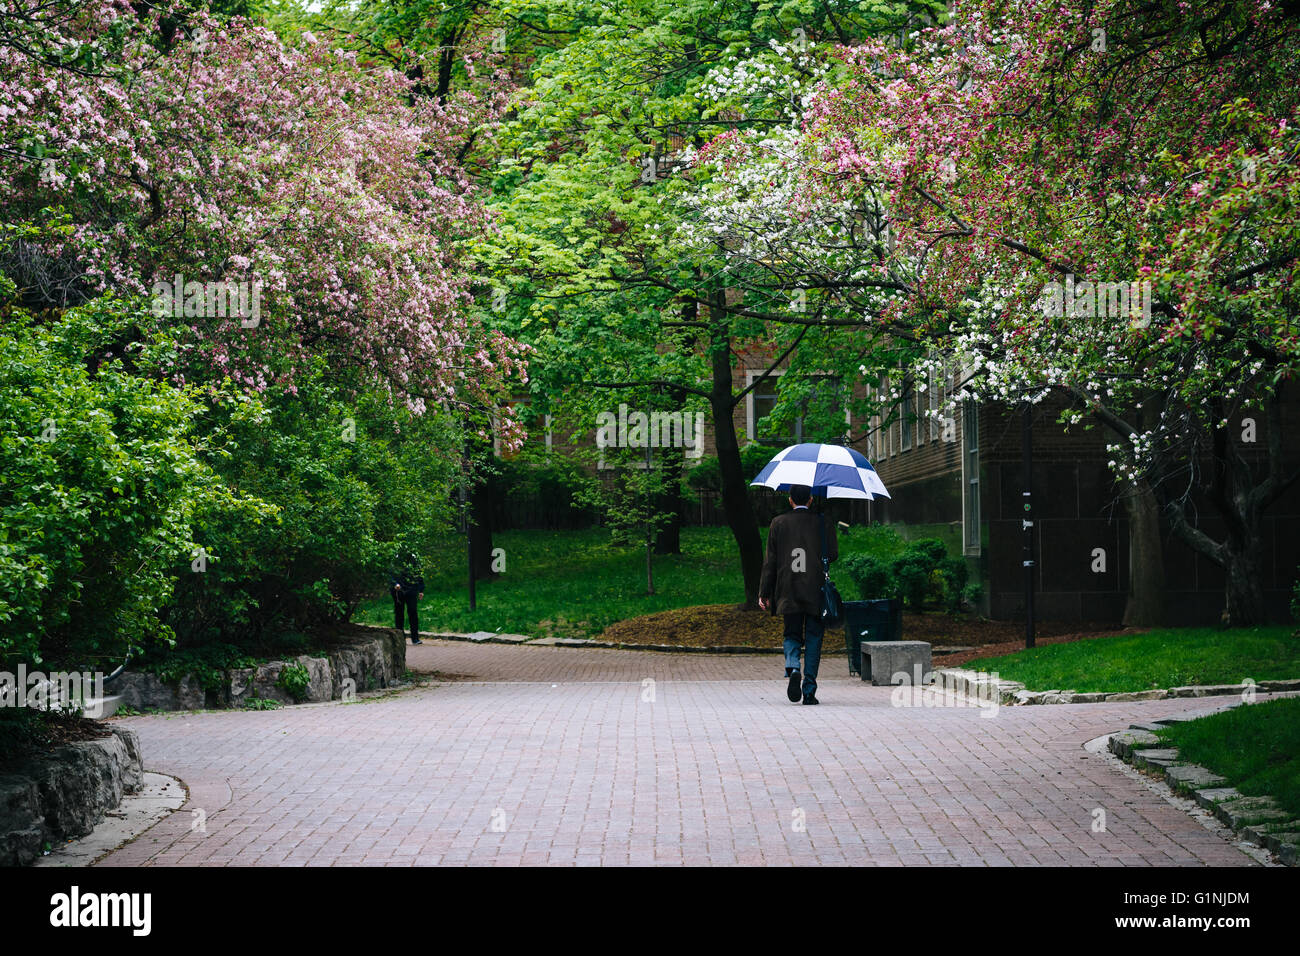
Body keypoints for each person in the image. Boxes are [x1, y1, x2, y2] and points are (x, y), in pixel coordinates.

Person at [758, 484, 837, 705]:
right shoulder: (822, 521)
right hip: (815, 589)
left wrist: (764, 592)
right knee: (814, 638)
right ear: (811, 499)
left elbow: (770, 562)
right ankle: (809, 691)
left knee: (791, 634)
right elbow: (832, 554)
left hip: (787, 588)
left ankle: (793, 666)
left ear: (790, 500)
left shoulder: (778, 523)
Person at [389, 552, 425, 645]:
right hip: (399, 590)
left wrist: (421, 590)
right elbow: (391, 574)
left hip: (411, 589)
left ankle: (415, 638)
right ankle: (400, 637)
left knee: (413, 612)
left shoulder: (414, 558)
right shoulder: (395, 559)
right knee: (399, 613)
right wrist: (395, 584)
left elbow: (419, 574)